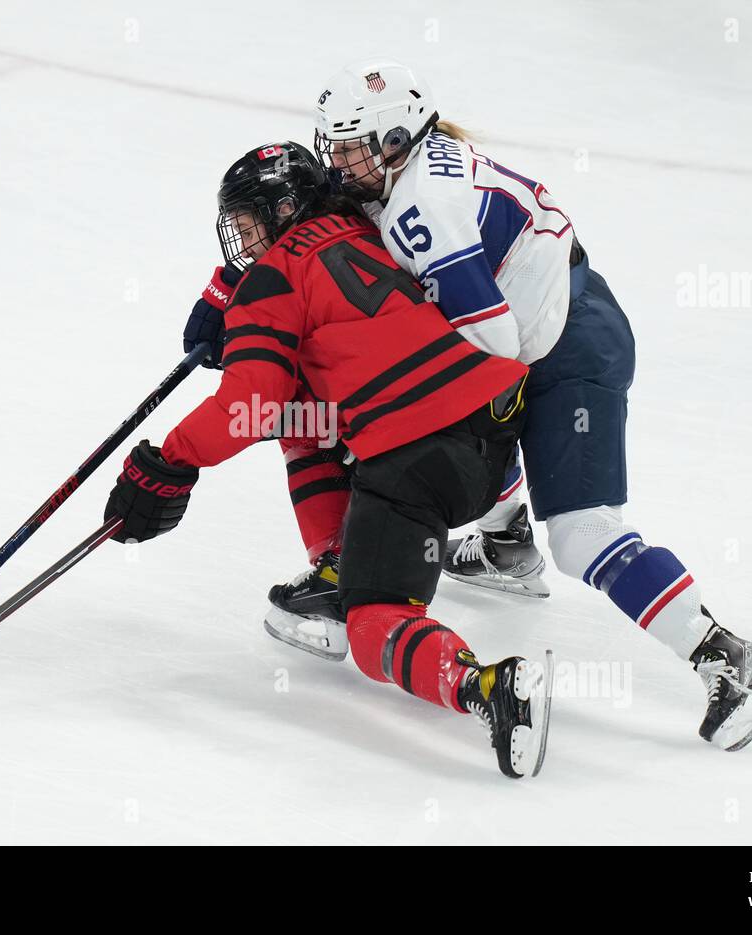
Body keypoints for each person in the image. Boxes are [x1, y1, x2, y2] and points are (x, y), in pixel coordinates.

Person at [304, 59, 752, 751]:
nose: (339, 161)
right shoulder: (409, 172)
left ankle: (733, 658)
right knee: (460, 413)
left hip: (569, 345)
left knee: (582, 533)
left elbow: (494, 343)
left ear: (393, 141)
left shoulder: (423, 209)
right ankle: (508, 545)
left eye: (351, 146)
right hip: (553, 323)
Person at [112, 142, 551, 778]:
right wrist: (225, 296)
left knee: (374, 627)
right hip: (494, 428)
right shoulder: (365, 221)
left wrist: (168, 461)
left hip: (417, 457)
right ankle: (339, 561)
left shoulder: (271, 278)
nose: (241, 239)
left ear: (283, 209)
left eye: (248, 222)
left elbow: (250, 405)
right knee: (304, 410)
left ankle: (490, 687)